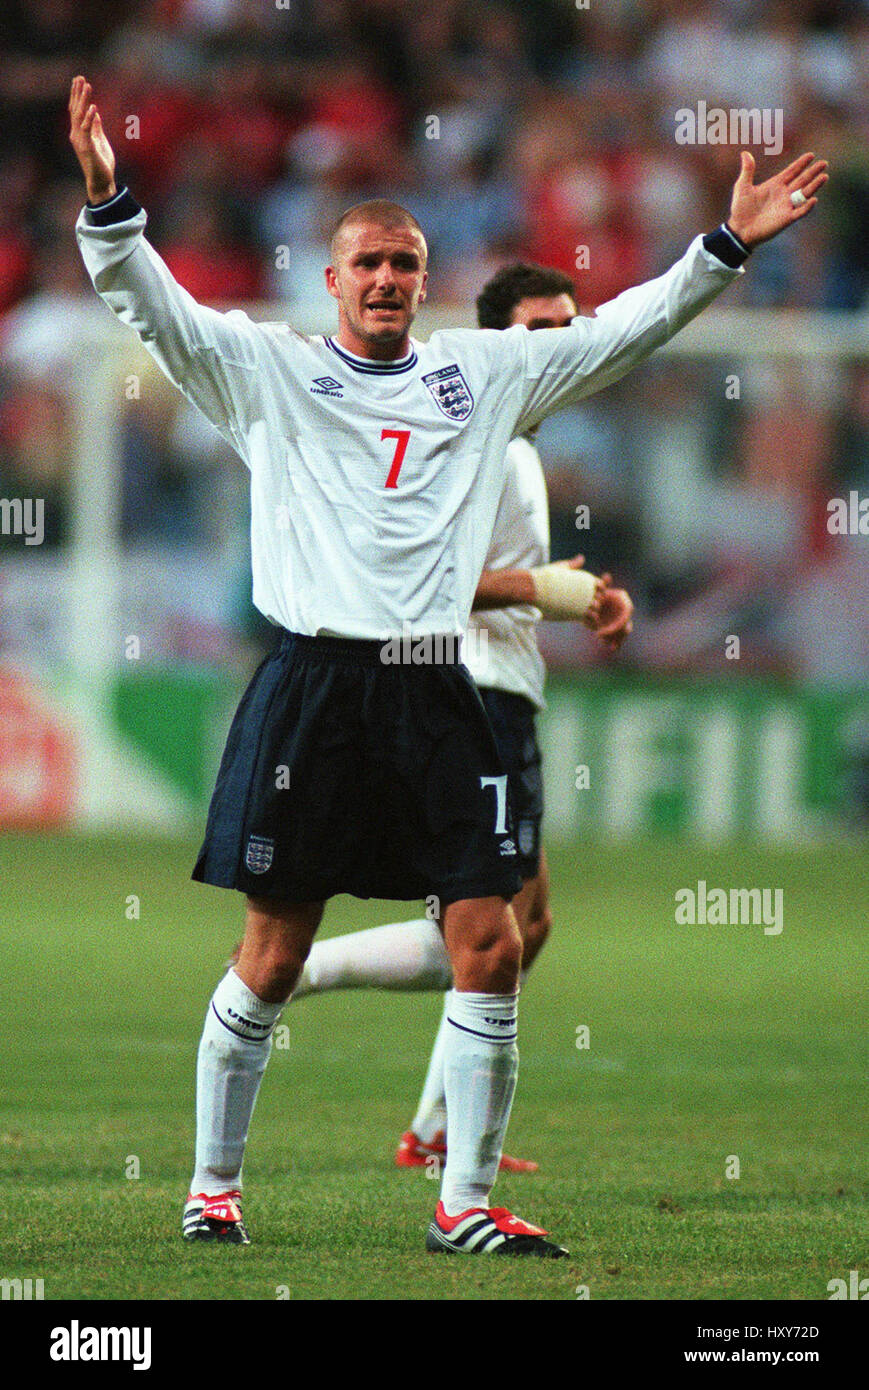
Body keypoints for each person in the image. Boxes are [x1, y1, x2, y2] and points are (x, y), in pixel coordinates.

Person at [69, 73, 827, 1259]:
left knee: (489, 941)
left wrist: (723, 246)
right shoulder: (264, 372)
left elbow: (625, 329)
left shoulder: (477, 375)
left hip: (436, 689)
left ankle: (462, 1205)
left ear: (426, 284)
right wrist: (112, 208)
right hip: (311, 686)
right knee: (269, 957)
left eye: (403, 264)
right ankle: (211, 1187)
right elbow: (151, 305)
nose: (383, 280)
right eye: (364, 262)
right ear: (331, 281)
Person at [282, 263, 633, 1178]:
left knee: (530, 919)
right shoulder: (471, 438)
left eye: (570, 323)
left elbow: (510, 577)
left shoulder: (516, 445)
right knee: (486, 927)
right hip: (468, 689)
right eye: (538, 329)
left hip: (504, 682)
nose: (560, 342)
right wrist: (550, 590)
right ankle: (289, 972)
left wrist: (580, 595)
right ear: (499, 341)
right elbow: (427, 578)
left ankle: (433, 1131)